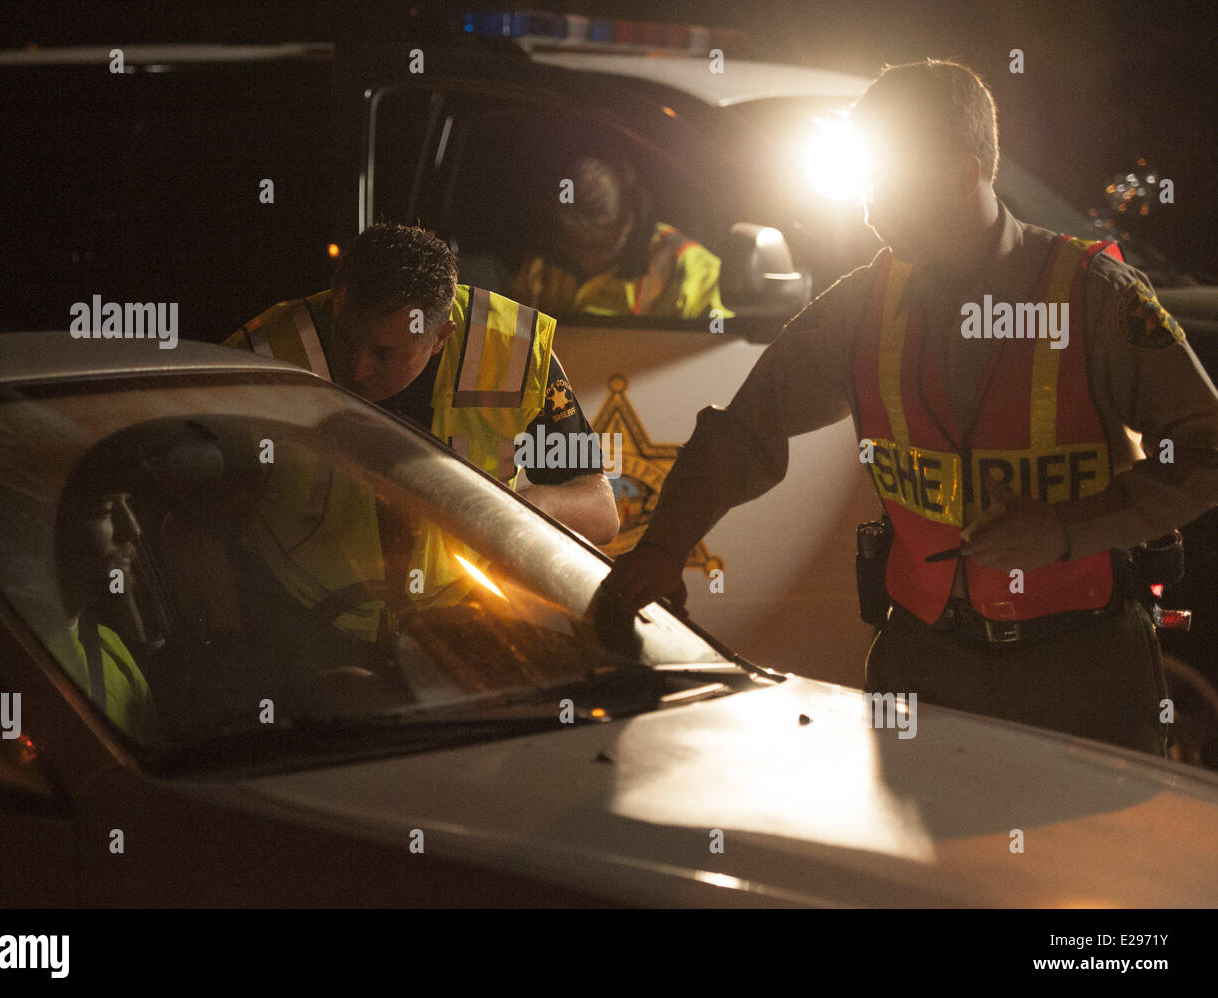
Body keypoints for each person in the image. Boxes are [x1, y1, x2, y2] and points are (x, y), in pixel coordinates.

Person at [603, 59, 1218, 756]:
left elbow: (1207, 448)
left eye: (887, 184)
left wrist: (1064, 530)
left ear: (962, 176)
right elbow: (746, 429)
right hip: (924, 672)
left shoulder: (1095, 296)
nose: (868, 208)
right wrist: (662, 547)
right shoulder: (864, 303)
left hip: (1080, 676)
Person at [225, 223, 618, 546]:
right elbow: (192, 519)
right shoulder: (265, 351)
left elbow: (602, 514)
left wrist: (527, 505)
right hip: (301, 621)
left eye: (383, 353)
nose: (358, 370)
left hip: (462, 618)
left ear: (441, 337)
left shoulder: (513, 350)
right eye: (343, 338)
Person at [509, 154, 730, 320]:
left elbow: (725, 348)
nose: (588, 260)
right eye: (576, 246)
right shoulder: (542, 264)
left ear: (629, 220)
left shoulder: (690, 266)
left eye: (599, 247)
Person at [51, 487, 158, 744]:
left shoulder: (111, 647)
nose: (133, 529)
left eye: (127, 504)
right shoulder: (5, 645)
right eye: (104, 510)